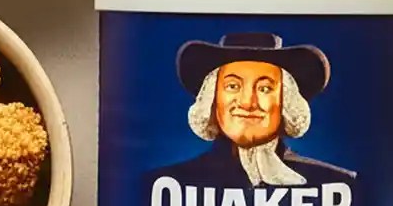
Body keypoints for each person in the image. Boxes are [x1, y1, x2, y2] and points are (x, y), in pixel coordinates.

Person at [151, 33, 355, 188]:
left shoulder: (334, 186)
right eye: (233, 86)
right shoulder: (169, 185)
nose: (248, 103)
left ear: (286, 101)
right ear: (212, 99)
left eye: (264, 89)